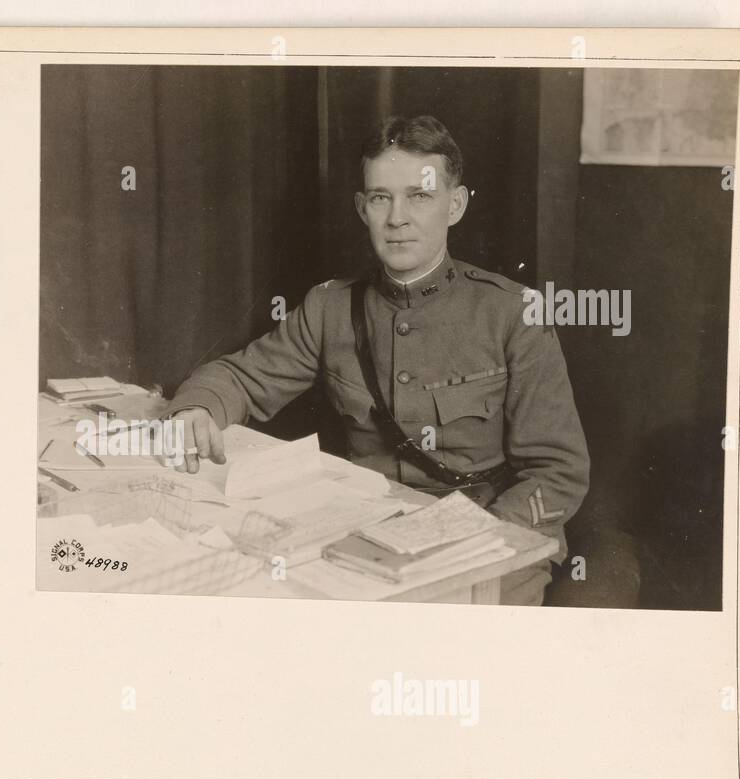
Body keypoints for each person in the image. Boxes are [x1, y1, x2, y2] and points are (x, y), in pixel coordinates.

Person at [167, 115, 589, 606]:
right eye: (380, 197)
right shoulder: (331, 308)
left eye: (420, 195)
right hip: (365, 539)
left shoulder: (514, 314)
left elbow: (558, 472)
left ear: (455, 205)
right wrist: (196, 409)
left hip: (488, 542)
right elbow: (239, 377)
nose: (397, 218)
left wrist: (471, 537)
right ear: (361, 208)